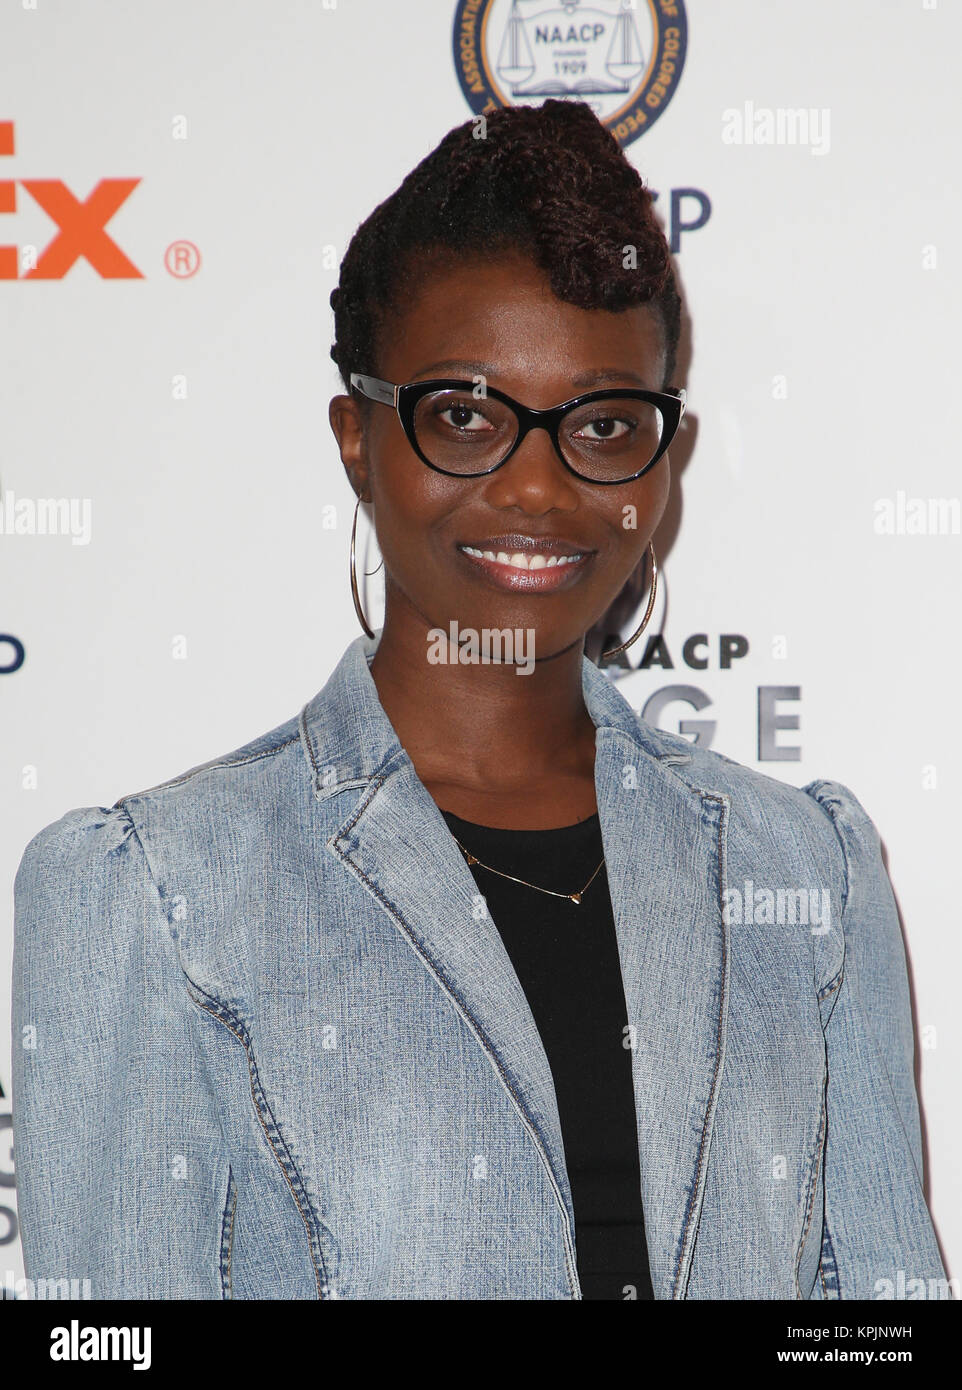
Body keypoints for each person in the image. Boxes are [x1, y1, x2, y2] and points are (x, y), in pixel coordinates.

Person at [12, 100, 947, 1300]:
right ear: (357, 439)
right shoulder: (157, 888)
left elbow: (876, 1319)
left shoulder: (800, 865)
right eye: (464, 416)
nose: (538, 487)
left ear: (663, 459)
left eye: (601, 424)